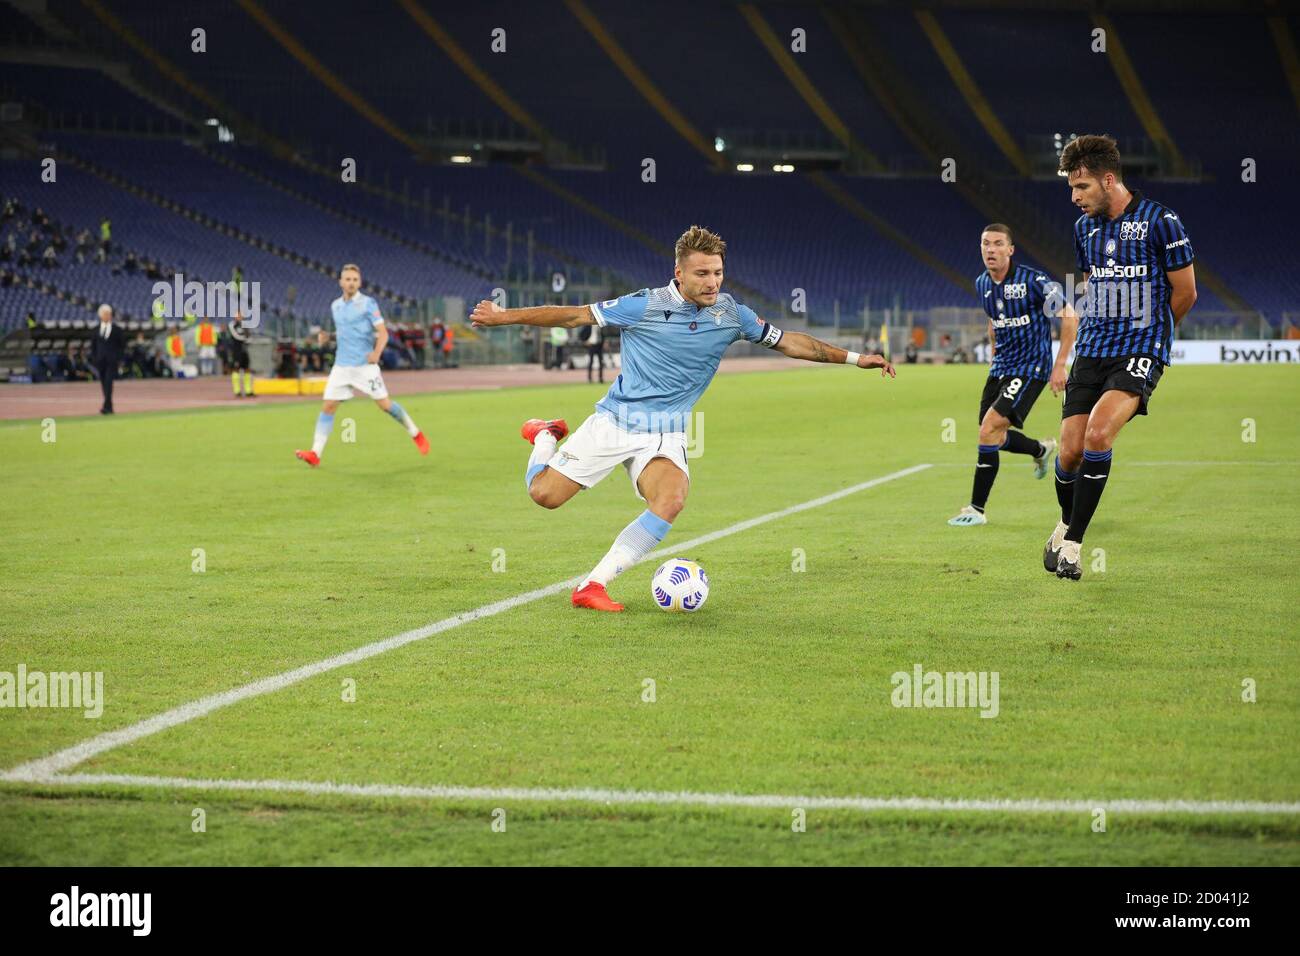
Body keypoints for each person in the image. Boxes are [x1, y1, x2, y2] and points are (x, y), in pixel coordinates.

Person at [470, 224, 896, 612]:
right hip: (614, 423)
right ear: (679, 273)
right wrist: (503, 317)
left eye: (717, 272)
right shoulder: (644, 305)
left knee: (671, 499)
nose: (712, 282)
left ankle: (592, 586)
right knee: (544, 496)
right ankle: (545, 435)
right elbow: (574, 314)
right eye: (702, 274)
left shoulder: (732, 314)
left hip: (664, 435)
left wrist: (855, 358)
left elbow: (791, 343)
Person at [1046, 134, 1196, 580]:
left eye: (1082, 188)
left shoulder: (1160, 221)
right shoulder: (1083, 229)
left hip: (1138, 351)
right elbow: (1093, 282)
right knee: (1070, 452)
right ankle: (1063, 522)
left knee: (1097, 435)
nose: (1074, 198)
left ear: (1108, 180)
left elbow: (1185, 293)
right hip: (1093, 348)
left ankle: (1073, 543)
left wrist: (1150, 335)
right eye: (1071, 189)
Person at [948, 223, 1077, 527]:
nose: (990, 249)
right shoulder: (981, 283)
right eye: (985, 244)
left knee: (988, 429)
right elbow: (993, 321)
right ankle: (1040, 449)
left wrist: (1059, 365)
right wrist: (993, 354)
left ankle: (976, 510)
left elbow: (1070, 316)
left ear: (1010, 250)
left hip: (1031, 367)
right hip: (1002, 367)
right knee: (992, 435)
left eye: (997, 243)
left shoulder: (1034, 281)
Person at [295, 264, 429, 467]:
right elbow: (345, 331)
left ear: (360, 283)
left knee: (385, 405)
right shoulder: (335, 306)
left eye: (355, 280)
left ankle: (416, 433)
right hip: (341, 366)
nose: (351, 283)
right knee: (328, 407)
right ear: (341, 282)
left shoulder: (368, 304)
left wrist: (376, 353)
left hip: (364, 367)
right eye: (347, 279)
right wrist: (329, 336)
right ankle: (315, 453)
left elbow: (383, 332)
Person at [89, 304, 125, 414]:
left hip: (112, 360)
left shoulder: (117, 330)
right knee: (104, 382)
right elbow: (93, 346)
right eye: (105, 314)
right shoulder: (95, 330)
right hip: (100, 361)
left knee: (109, 381)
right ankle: (109, 406)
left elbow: (122, 345)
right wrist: (95, 358)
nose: (107, 316)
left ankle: (106, 406)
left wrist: (119, 358)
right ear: (100, 315)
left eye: (109, 314)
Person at [221, 314, 253, 398]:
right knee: (236, 370)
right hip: (236, 351)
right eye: (238, 316)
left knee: (247, 369)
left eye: (241, 316)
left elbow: (249, 337)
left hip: (244, 350)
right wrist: (245, 338)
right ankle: (237, 391)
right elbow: (236, 336)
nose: (240, 317)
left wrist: (248, 339)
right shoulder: (232, 325)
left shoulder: (245, 326)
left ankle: (248, 391)